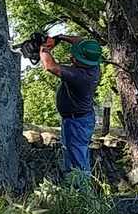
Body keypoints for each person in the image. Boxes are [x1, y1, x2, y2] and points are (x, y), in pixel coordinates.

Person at [40, 35, 103, 182]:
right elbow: (82, 41)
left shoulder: (82, 77)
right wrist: (60, 37)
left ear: (84, 62)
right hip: (80, 118)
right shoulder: (93, 60)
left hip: (76, 122)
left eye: (75, 57)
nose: (71, 58)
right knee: (75, 156)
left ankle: (81, 195)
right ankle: (76, 191)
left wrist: (43, 49)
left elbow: (50, 66)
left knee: (77, 162)